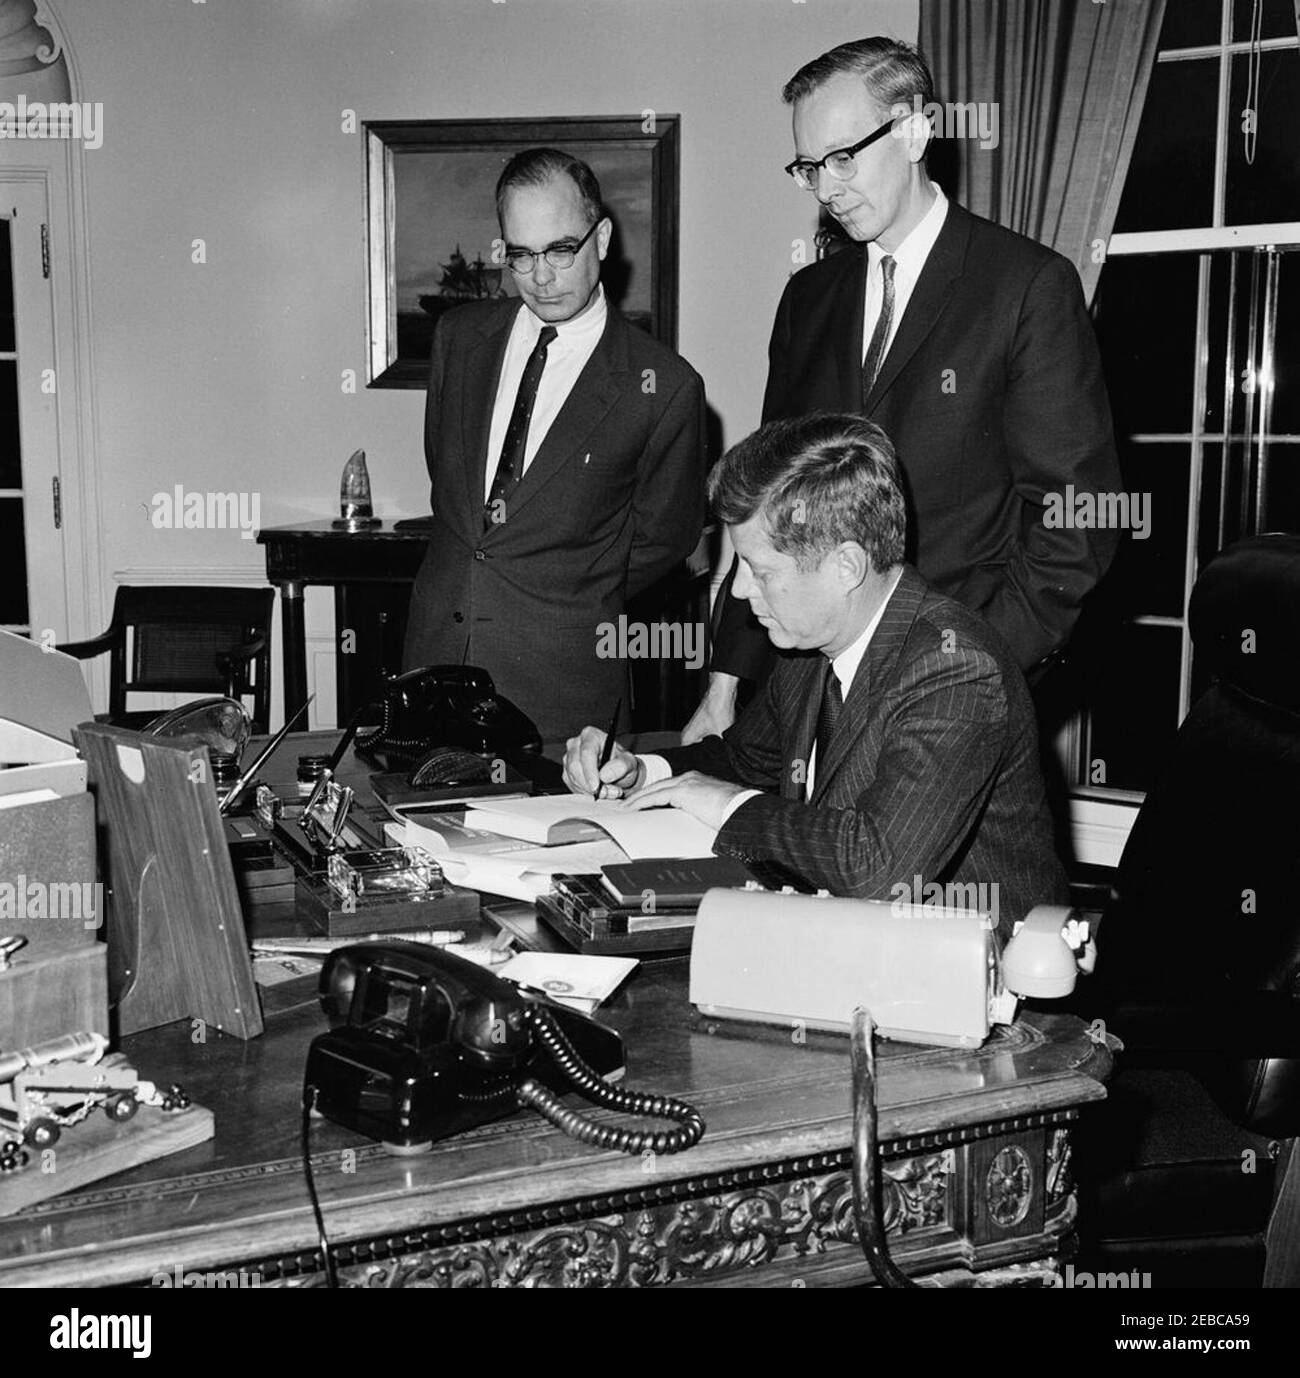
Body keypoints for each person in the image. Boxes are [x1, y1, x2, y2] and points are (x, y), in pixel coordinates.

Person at [684, 36, 1120, 744]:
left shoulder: (1025, 286)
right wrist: (726, 683)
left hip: (957, 691)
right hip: (811, 696)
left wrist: (977, 668)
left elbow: (1080, 520)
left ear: (916, 129)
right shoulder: (808, 299)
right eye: (808, 168)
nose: (827, 190)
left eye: (843, 159)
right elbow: (766, 503)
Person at [564, 413, 1067, 938]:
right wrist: (641, 773)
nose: (739, 594)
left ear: (846, 566)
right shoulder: (809, 647)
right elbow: (744, 761)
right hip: (848, 944)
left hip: (975, 978)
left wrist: (724, 803)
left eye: (762, 573)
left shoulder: (954, 668)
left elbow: (879, 869)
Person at [403, 148, 706, 740]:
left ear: (602, 238)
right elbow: (449, 483)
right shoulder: (458, 339)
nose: (541, 277)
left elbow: (665, 539)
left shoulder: (665, 387)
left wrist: (567, 589)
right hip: (433, 669)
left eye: (561, 250)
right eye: (520, 255)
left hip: (563, 696)